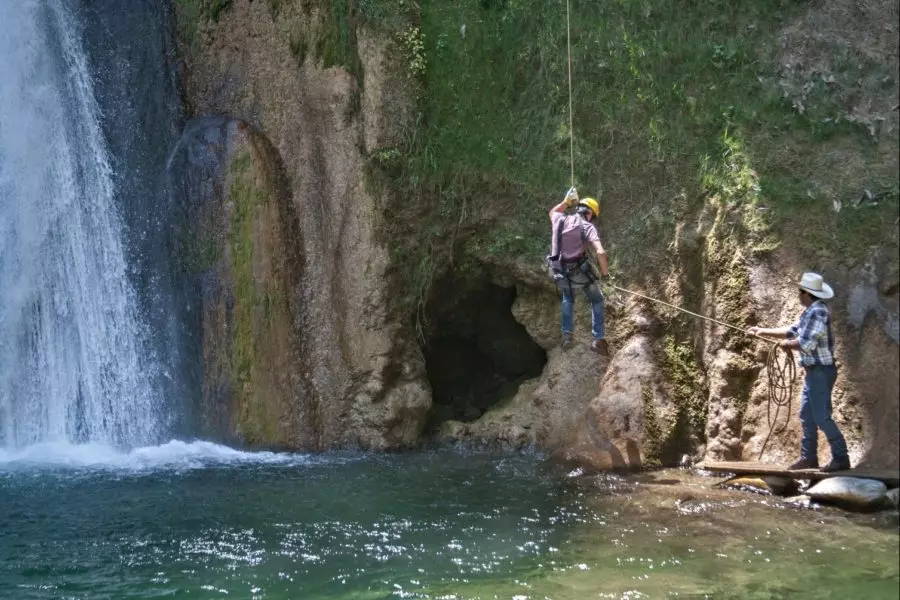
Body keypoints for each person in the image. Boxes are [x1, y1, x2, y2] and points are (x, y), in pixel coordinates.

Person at [748, 272, 850, 472]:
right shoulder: (810, 312)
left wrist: (787, 345)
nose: (798, 295)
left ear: (806, 294)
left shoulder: (818, 312)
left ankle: (841, 457)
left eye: (800, 292)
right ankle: (809, 458)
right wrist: (761, 331)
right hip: (813, 372)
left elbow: (807, 343)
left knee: (821, 416)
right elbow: (791, 331)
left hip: (821, 371)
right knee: (806, 415)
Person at [547, 187, 610, 356]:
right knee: (596, 300)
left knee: (568, 297)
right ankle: (598, 339)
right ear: (590, 214)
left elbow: (552, 211)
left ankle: (567, 336)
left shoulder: (558, 219)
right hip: (578, 272)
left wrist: (566, 202)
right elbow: (601, 253)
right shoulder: (588, 227)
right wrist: (605, 275)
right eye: (593, 217)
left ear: (577, 208)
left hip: (558, 271)